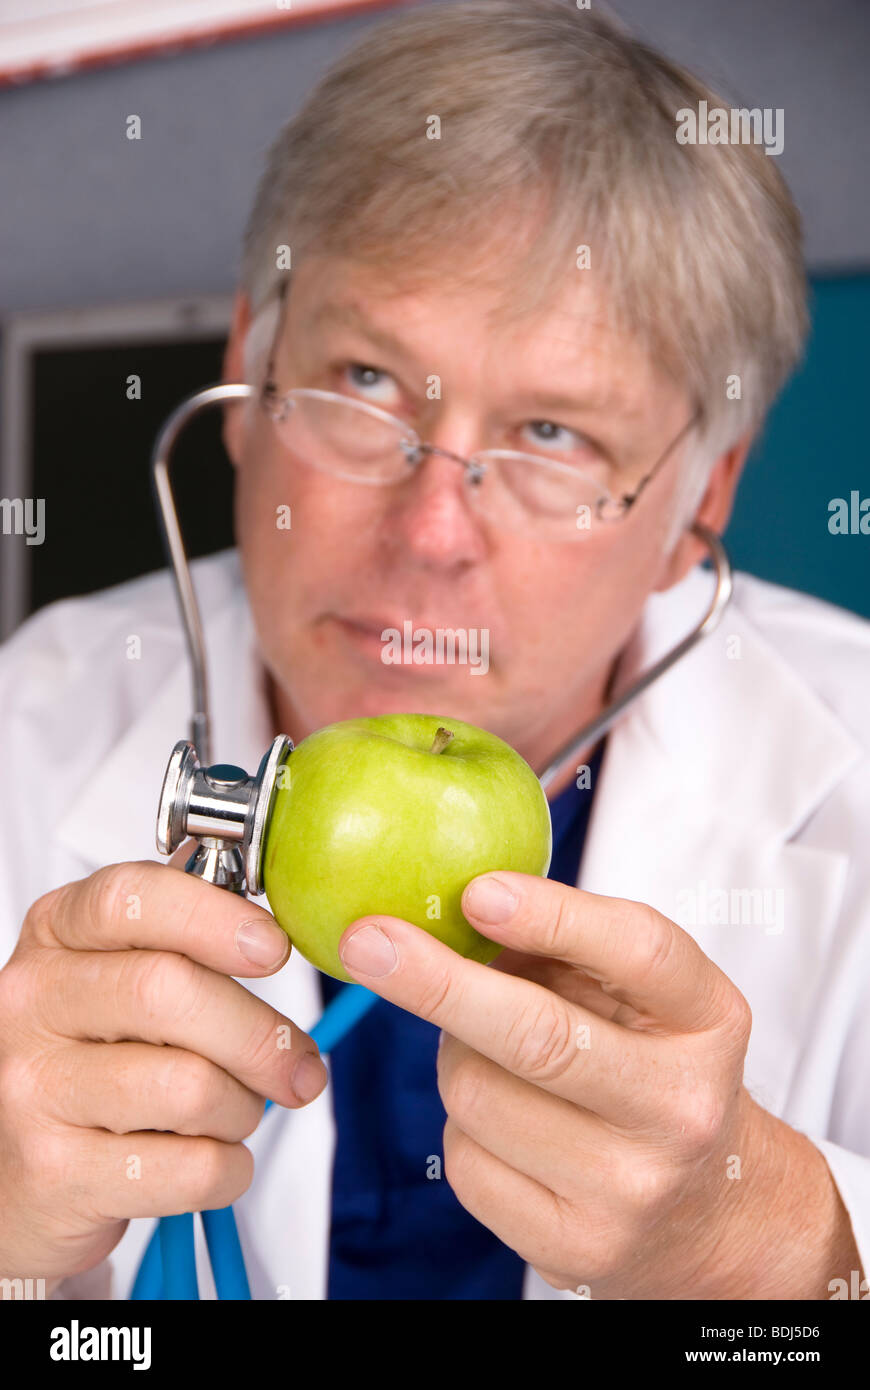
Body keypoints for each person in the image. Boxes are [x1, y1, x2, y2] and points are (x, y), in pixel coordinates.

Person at [1, 0, 868, 1302]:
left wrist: (781, 1250)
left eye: (557, 436)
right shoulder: (25, 728)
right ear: (249, 361)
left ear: (701, 499)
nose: (431, 530)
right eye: (361, 382)